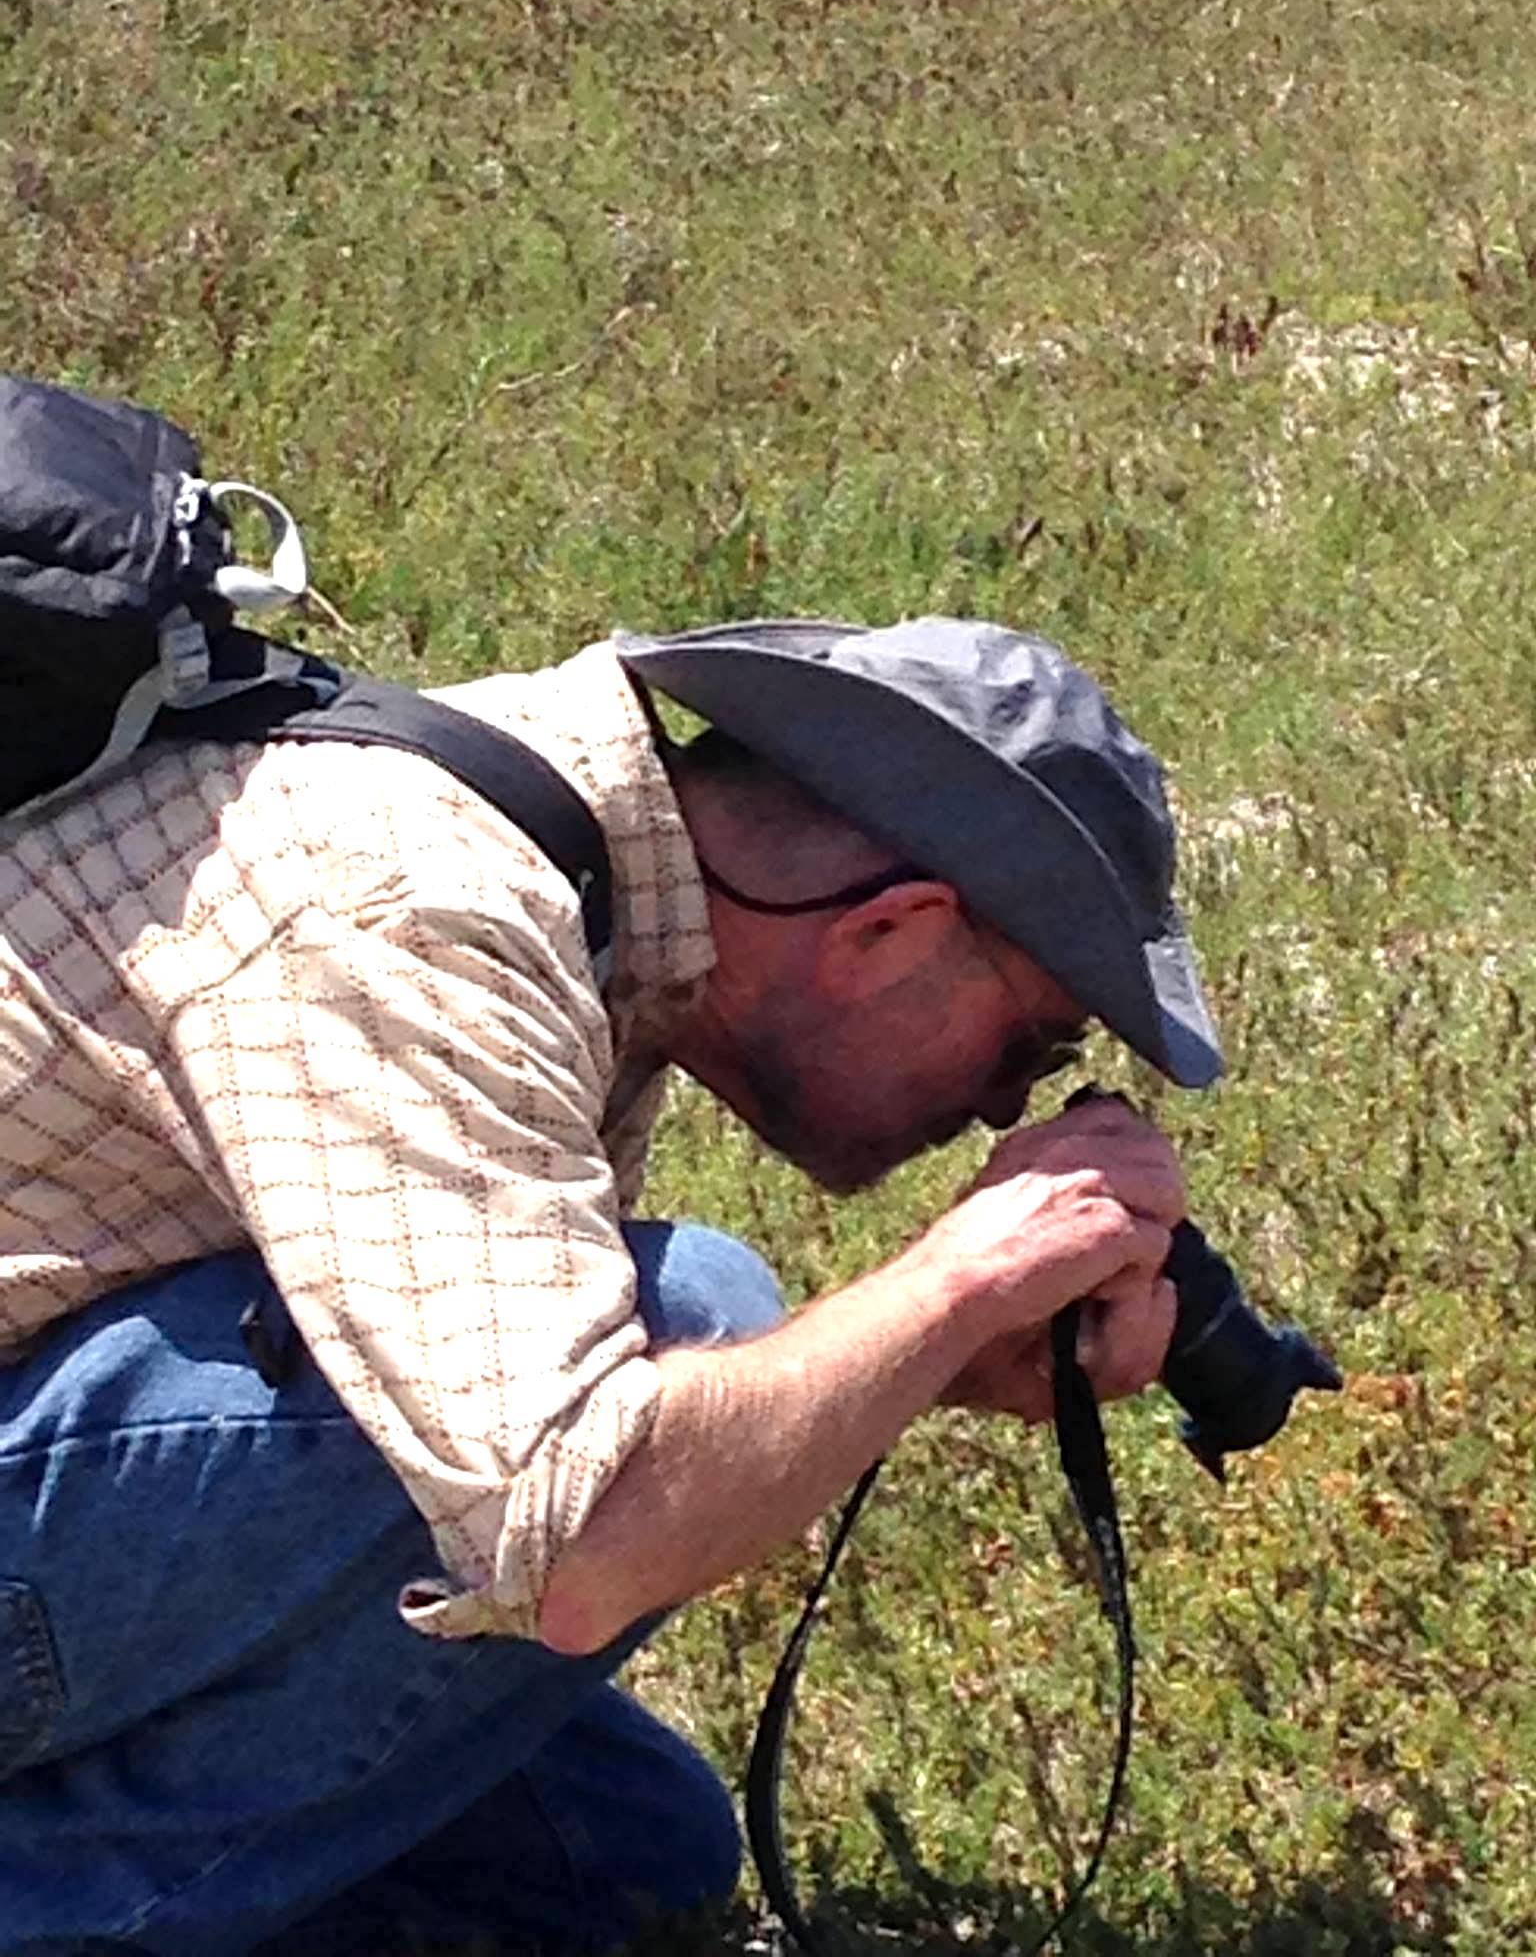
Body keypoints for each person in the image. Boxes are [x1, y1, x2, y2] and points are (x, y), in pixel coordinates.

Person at [0, 614, 1219, 1956]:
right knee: (692, 1311)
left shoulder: (564, 861)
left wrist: (928, 1362)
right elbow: (575, 1541)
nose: (1002, 1107)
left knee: (618, 1854)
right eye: (1026, 1046)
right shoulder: (417, 900)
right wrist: (951, 1288)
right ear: (891, 929)